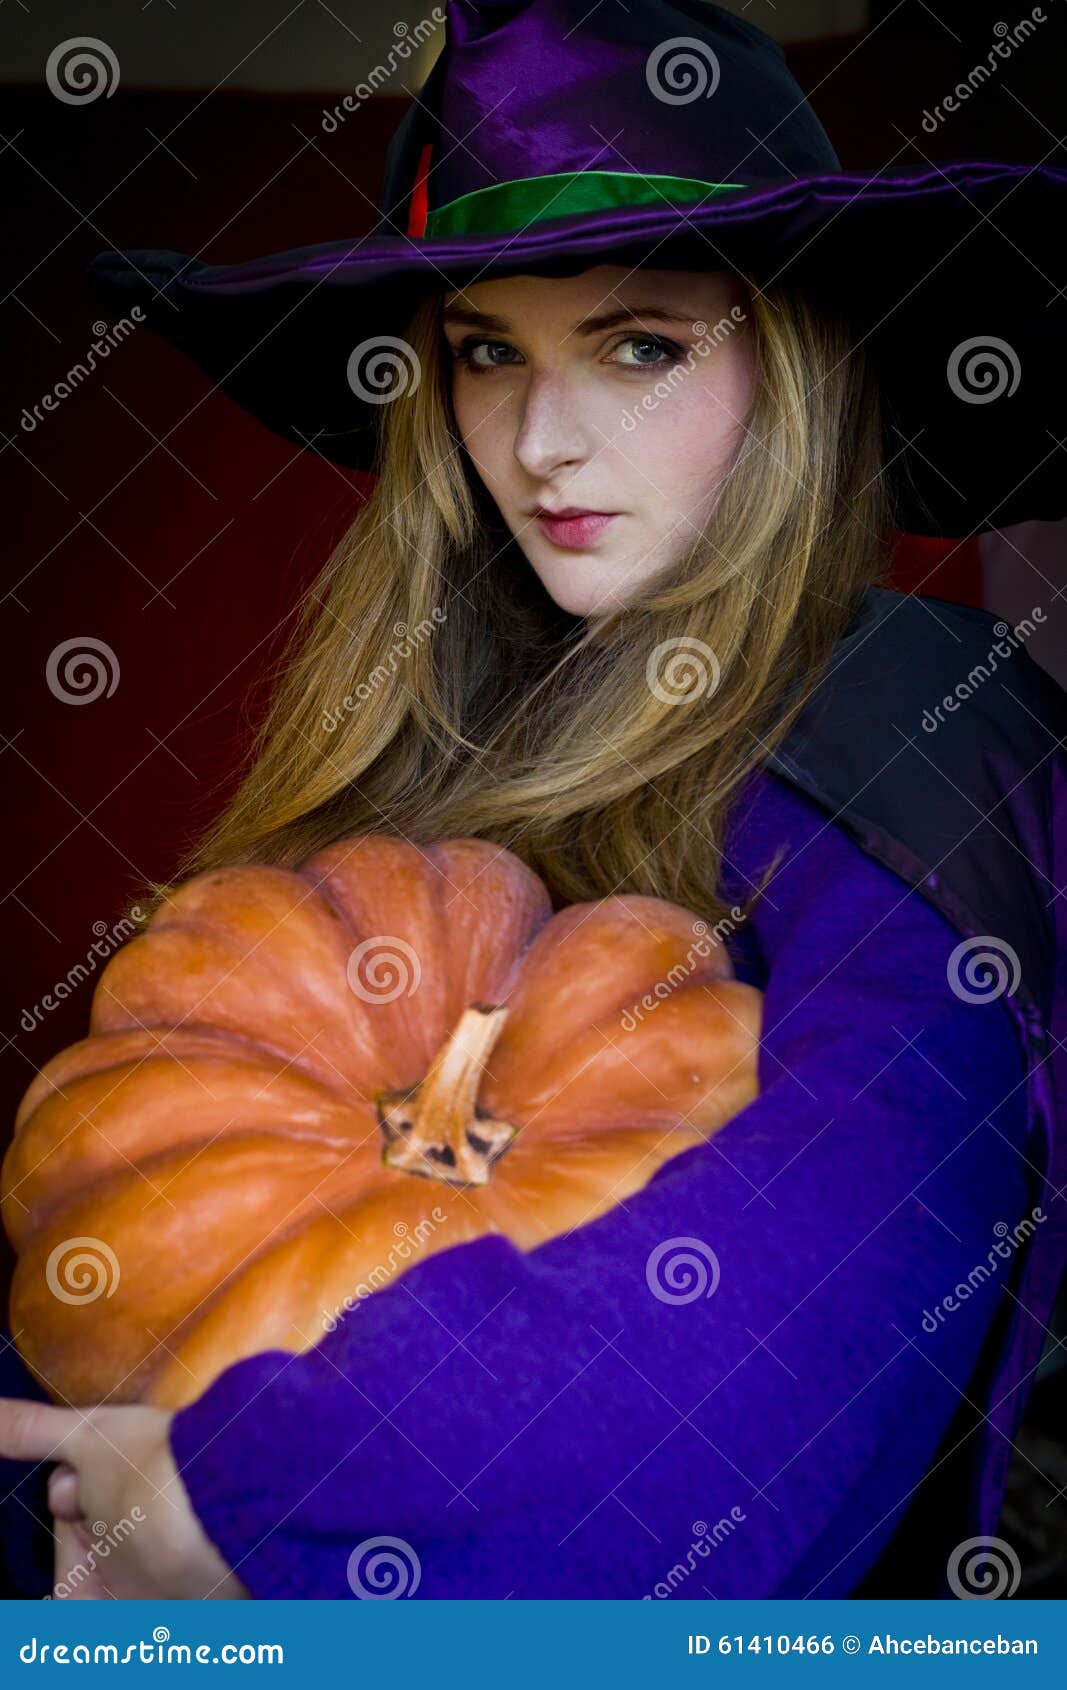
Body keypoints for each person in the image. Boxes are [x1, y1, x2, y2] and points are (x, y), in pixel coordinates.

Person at [2, 0, 1065, 1601]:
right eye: (487, 352)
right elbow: (137, 1209)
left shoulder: (921, 721)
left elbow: (820, 1285)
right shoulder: (447, 727)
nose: (543, 443)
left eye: (639, 345)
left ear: (795, 361)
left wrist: (247, 1512)